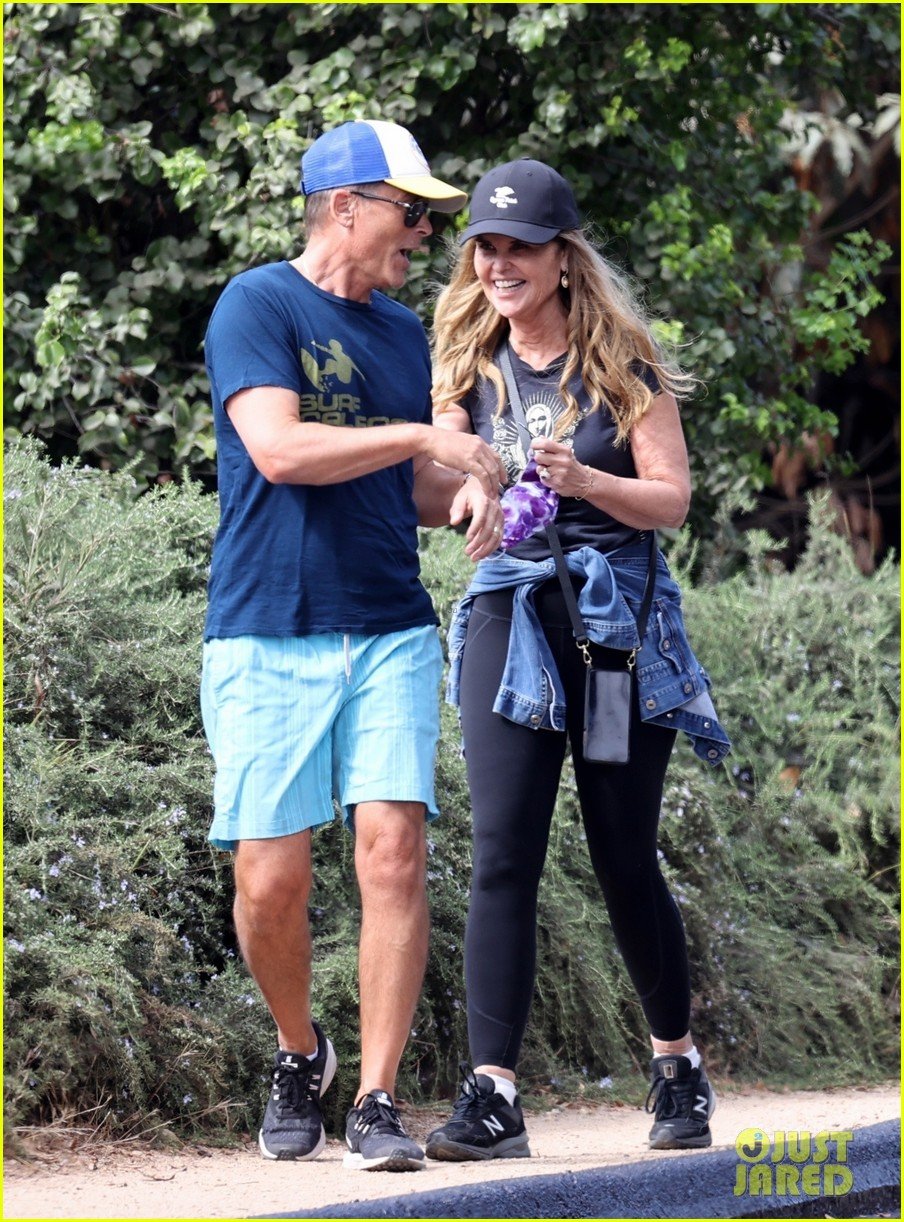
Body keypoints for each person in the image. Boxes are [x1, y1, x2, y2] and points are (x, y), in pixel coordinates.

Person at [200, 119, 505, 1173]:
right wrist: (426, 434)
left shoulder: (401, 332)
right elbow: (280, 450)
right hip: (265, 627)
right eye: (408, 213)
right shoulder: (257, 303)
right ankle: (302, 1054)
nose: (421, 234)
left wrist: (465, 488)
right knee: (268, 880)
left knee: (393, 853)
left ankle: (376, 1097)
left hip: (388, 627)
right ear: (344, 206)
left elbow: (406, 487)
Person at [424, 158, 731, 1162]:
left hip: (611, 633)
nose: (499, 262)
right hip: (512, 621)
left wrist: (587, 477)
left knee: (619, 851)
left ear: (563, 258)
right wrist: (472, 494)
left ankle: (676, 1063)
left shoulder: (620, 365)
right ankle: (493, 1095)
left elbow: (671, 499)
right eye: (486, 246)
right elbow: (450, 460)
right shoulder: (469, 358)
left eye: (519, 246)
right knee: (503, 849)